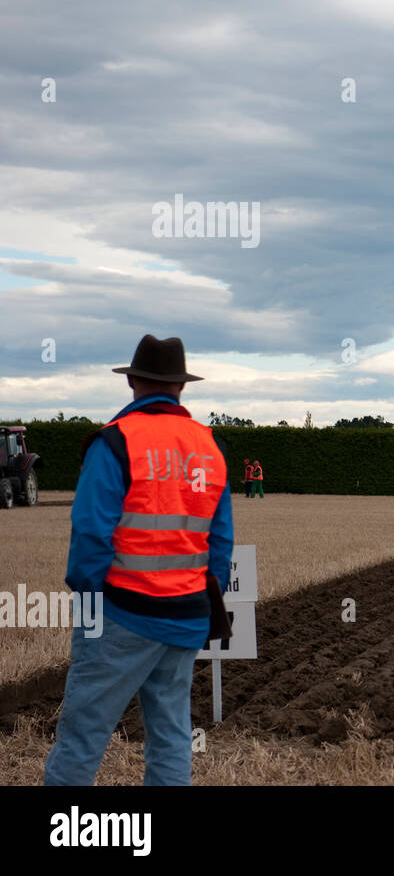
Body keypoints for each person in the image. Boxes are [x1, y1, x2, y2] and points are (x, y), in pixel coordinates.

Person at [44, 334, 232, 786]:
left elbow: (90, 532)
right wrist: (203, 598)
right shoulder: (210, 448)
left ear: (132, 381)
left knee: (83, 733)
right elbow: (220, 543)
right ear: (181, 387)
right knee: (170, 735)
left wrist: (90, 602)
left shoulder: (114, 442)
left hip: (121, 615)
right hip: (186, 618)